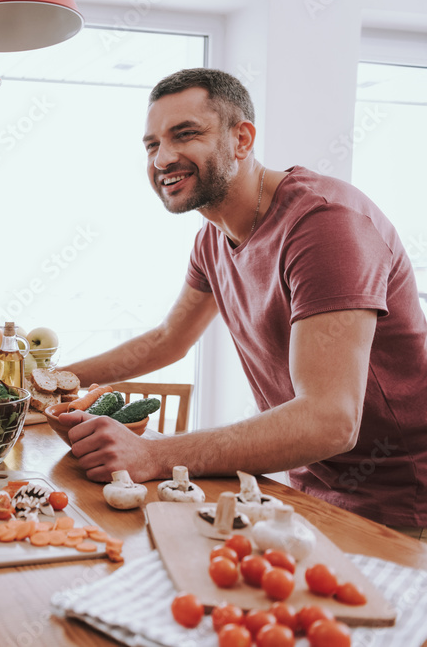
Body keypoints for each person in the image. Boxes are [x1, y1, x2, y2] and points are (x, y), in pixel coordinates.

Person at [61, 68, 427, 535]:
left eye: (185, 134)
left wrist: (154, 454)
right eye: (151, 144)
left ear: (242, 139)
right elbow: (168, 340)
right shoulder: (212, 240)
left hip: (403, 504)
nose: (162, 158)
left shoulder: (325, 224)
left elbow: (330, 420)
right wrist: (56, 380)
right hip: (308, 488)